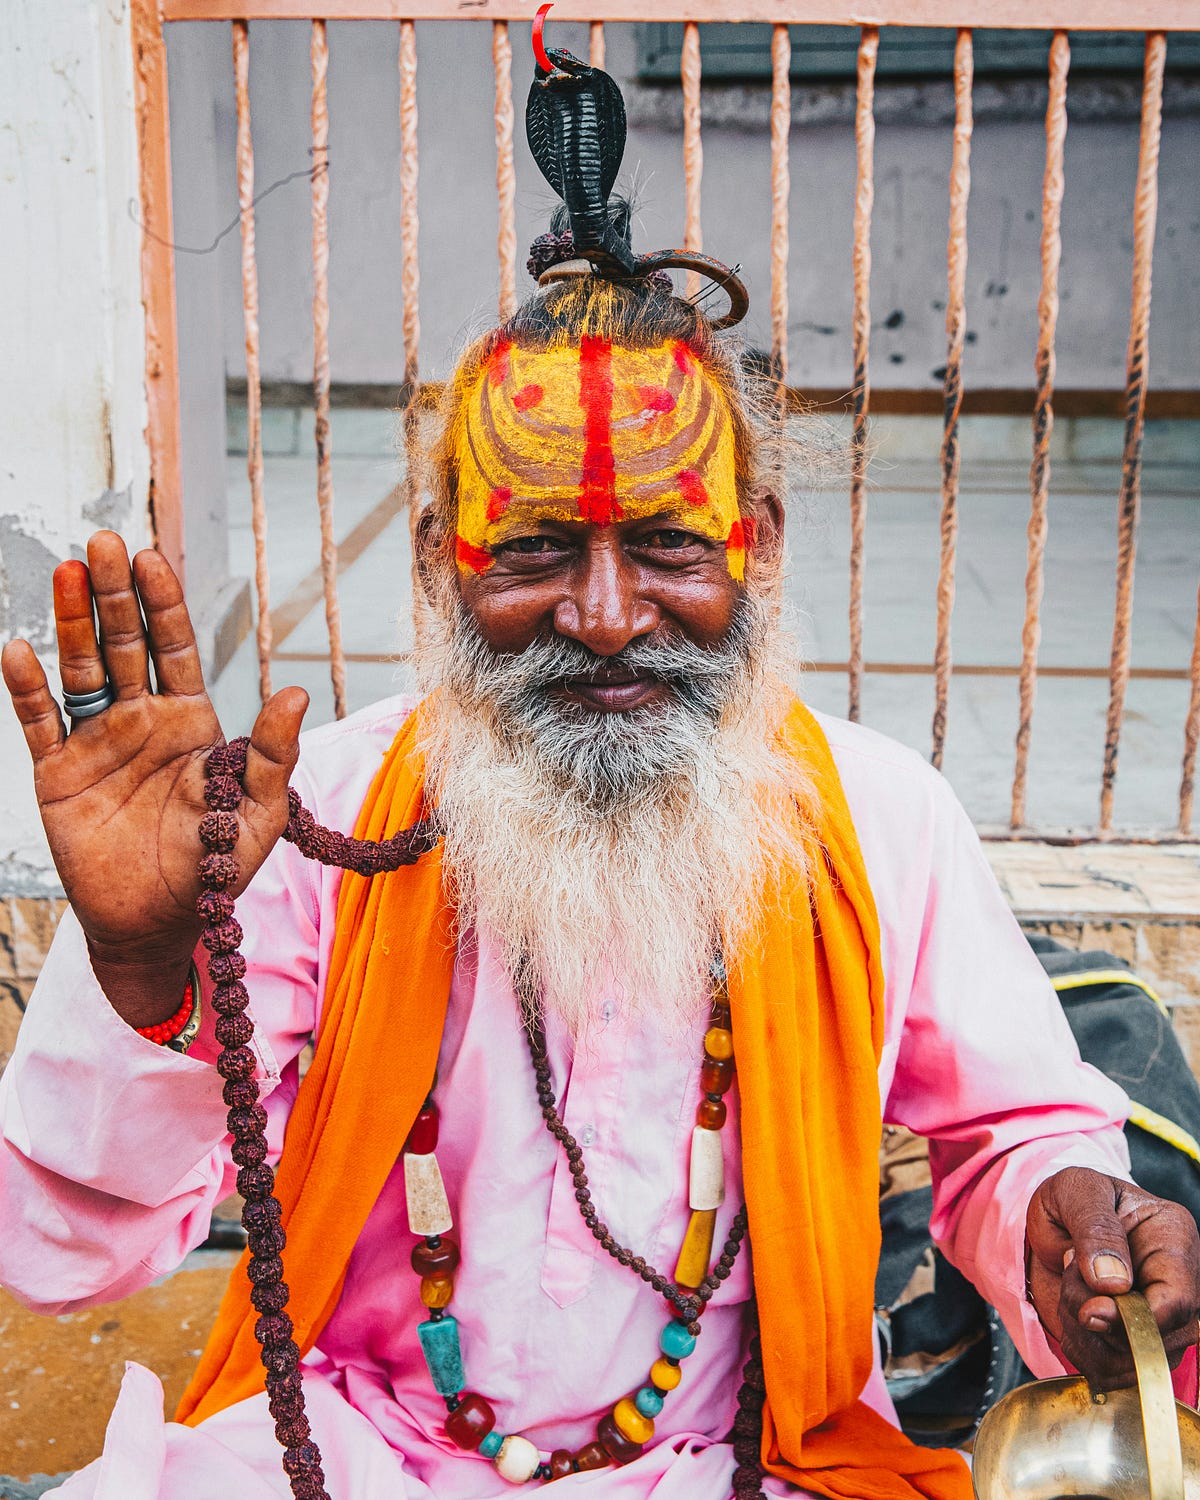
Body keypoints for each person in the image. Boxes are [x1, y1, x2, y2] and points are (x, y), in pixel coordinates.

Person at [2, 28, 1199, 1500]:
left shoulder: (885, 825)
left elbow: (1011, 1134)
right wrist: (141, 983)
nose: (611, 616)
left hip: (738, 1465)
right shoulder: (301, 828)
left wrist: (1063, 1217)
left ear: (755, 544)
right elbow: (57, 1266)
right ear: (443, 569)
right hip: (350, 1452)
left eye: (673, 546)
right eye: (536, 552)